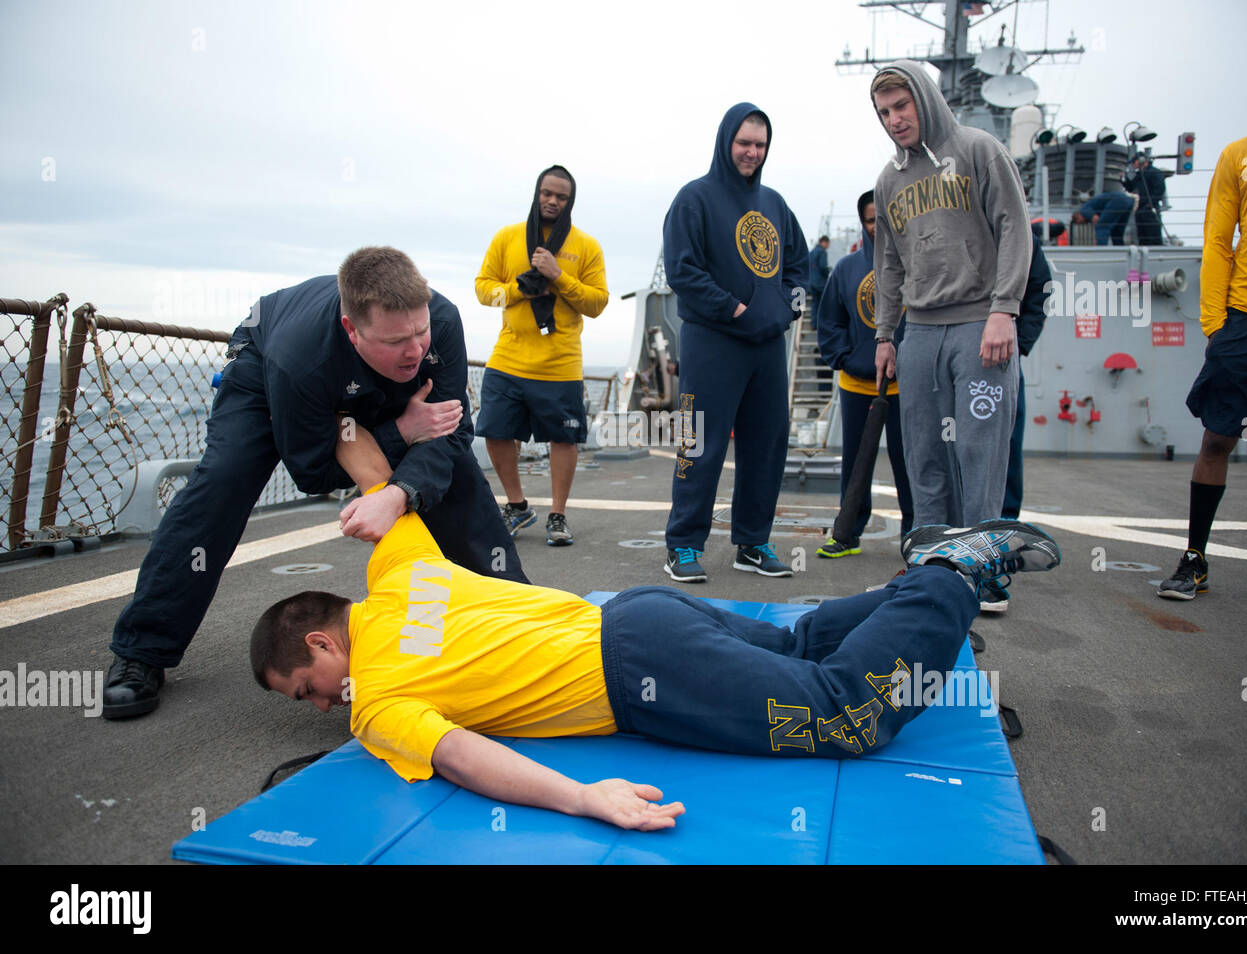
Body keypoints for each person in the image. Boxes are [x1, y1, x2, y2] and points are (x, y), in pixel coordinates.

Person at [252, 419, 1061, 831]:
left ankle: (951, 575)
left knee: (841, 712)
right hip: (638, 616)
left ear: (323, 644)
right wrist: (341, 418)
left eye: (304, 690)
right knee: (798, 643)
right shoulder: (395, 574)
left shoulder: (374, 699)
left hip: (639, 675)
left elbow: (462, 757)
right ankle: (917, 587)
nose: (321, 709)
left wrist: (582, 801)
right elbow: (367, 463)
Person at [103, 247, 528, 720]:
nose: (415, 351)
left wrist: (398, 492)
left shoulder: (441, 324)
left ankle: (522, 616)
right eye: (396, 340)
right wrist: (401, 431)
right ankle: (143, 649)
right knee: (224, 481)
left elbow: (451, 431)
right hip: (269, 366)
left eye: (419, 332)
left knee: (455, 478)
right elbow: (311, 471)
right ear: (352, 329)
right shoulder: (295, 358)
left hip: (366, 384)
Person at [869, 62, 1031, 554]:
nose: (894, 119)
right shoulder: (888, 181)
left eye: (902, 105)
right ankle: (934, 563)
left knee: (980, 456)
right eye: (884, 112)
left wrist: (1004, 310)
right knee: (924, 456)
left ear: (925, 98)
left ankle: (982, 565)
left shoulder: (980, 149)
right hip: (918, 334)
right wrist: (883, 335)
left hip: (980, 325)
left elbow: (1014, 229)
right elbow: (890, 263)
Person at [1158, 48, 1247, 610]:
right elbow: (1217, 239)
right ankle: (1194, 559)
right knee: (1217, 437)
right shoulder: (1241, 155)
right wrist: (1215, 322)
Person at [660, 103, 810, 583]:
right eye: (744, 142)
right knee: (698, 443)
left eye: (760, 145)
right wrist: (737, 309)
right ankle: (683, 544)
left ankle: (752, 541)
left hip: (766, 347)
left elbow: (800, 269)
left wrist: (788, 308)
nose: (751, 152)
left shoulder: (776, 205)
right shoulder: (694, 199)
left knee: (766, 445)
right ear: (727, 141)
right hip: (712, 342)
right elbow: (683, 271)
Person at [474, 165, 609, 547]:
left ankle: (558, 515)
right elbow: (484, 291)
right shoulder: (507, 237)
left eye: (561, 197)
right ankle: (517, 506)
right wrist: (520, 289)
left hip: (560, 362)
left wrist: (558, 277)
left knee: (562, 440)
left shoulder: (586, 245)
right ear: (537, 193)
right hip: (508, 357)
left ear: (570, 202)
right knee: (496, 432)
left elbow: (597, 303)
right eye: (547, 193)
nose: (552, 201)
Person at [815, 190, 913, 558]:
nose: (879, 226)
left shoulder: (916, 265)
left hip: (907, 387)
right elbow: (829, 321)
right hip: (857, 384)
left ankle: (915, 536)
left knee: (910, 465)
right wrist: (845, 359)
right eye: (872, 220)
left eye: (885, 218)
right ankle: (847, 534)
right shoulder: (846, 269)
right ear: (863, 223)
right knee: (856, 462)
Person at [990, 232, 1053, 611]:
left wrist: (1017, 343)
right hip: (951, 353)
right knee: (946, 452)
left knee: (1005, 455)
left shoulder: (1022, 236)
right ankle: (947, 549)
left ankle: (997, 548)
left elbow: (1039, 291)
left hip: (1001, 361)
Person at [1121, 154, 1166, 246]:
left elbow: (1159, 190)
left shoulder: (1154, 172)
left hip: (1150, 209)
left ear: (1140, 161)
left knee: (1152, 235)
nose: (1133, 165)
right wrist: (1123, 178)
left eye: (1134, 162)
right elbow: (1131, 187)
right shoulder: (1140, 175)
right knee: (1142, 236)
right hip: (1140, 209)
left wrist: (1150, 204)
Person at [1072, 191, 1138, 246]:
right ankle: (1120, 251)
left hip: (1117, 200)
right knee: (1116, 232)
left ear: (1078, 216)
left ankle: (1101, 251)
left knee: (1101, 227)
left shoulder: (1083, 210)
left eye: (1080, 222)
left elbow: (1096, 220)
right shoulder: (1088, 206)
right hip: (1128, 201)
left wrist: (1097, 243)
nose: (1083, 223)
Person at [808, 235, 831, 328]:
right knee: (824, 304)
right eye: (828, 244)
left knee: (815, 303)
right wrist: (827, 274)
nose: (828, 246)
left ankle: (814, 324)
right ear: (824, 242)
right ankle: (822, 325)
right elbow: (822, 267)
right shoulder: (822, 252)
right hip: (820, 283)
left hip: (811, 283)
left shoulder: (812, 252)